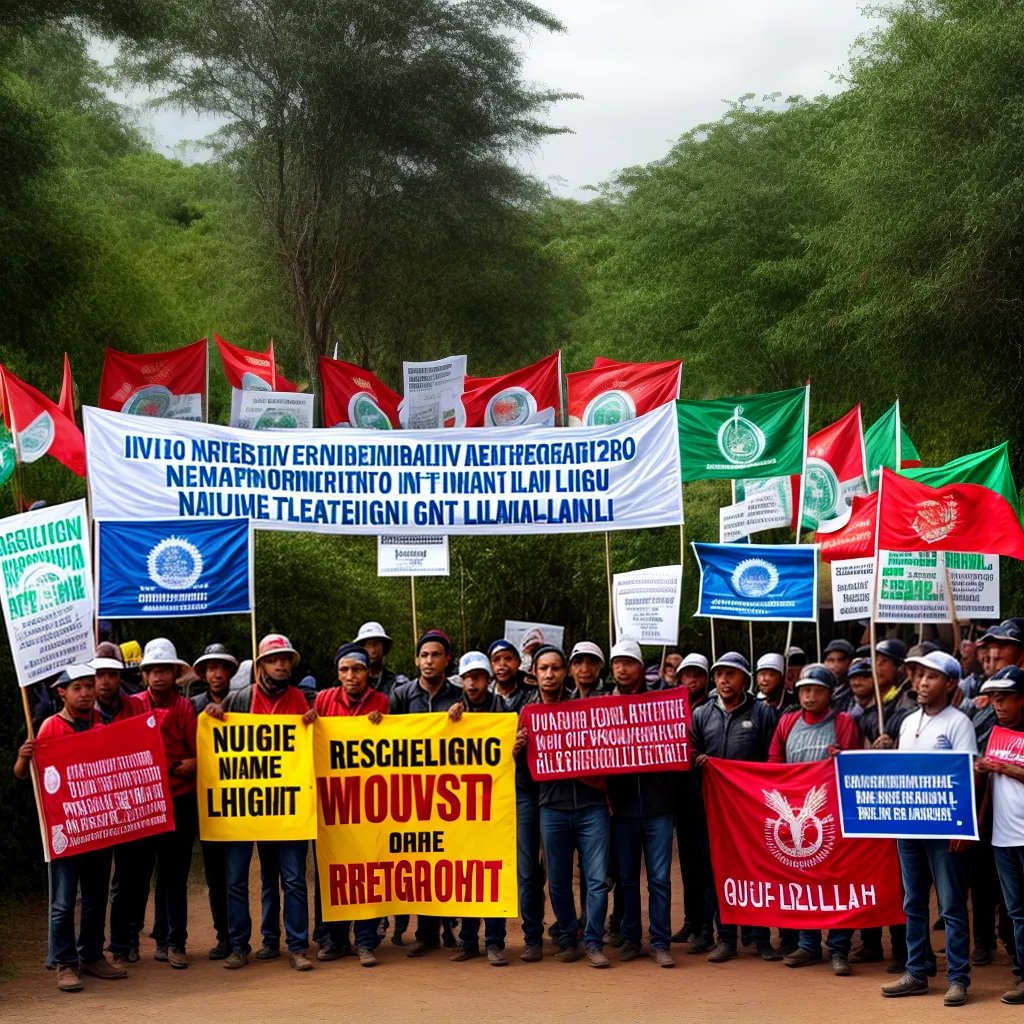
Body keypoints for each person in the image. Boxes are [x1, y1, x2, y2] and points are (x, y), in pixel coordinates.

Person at [14, 665, 127, 992]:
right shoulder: (50, 727)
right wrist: (24, 758)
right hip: (64, 832)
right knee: (63, 902)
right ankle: (65, 963)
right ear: (61, 692)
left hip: (98, 828)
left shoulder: (103, 724)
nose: (87, 692)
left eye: (89, 686)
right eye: (78, 687)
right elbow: (23, 774)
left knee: (95, 897)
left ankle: (91, 955)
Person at [207, 634, 316, 971]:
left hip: (287, 808)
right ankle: (242, 946)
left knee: (292, 879)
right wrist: (214, 716)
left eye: (285, 659)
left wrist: (314, 725)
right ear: (260, 666)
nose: (281, 665)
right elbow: (219, 743)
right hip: (243, 808)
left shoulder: (301, 699)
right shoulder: (240, 699)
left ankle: (296, 946)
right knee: (237, 880)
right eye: (273, 659)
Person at [881, 651, 977, 1006]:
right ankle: (917, 972)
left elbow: (964, 777)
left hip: (944, 829)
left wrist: (962, 829)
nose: (921, 682)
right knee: (913, 903)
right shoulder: (907, 722)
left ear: (950, 683)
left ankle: (958, 978)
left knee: (950, 906)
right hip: (908, 827)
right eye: (919, 675)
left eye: (931, 676)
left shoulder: (959, 723)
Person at [514, 645, 611, 968]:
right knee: (557, 881)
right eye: (544, 669)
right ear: (535, 673)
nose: (550, 674)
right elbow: (524, 770)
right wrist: (516, 752)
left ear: (565, 672)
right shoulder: (527, 714)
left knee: (596, 880)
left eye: (556, 668)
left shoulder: (585, 707)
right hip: (551, 807)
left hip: (592, 805)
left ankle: (594, 942)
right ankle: (569, 938)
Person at [768, 664, 861, 975]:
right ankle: (808, 945)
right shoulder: (787, 722)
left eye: (816, 690)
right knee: (802, 880)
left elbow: (853, 761)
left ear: (829, 694)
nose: (809, 695)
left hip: (833, 819)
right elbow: (773, 763)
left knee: (836, 882)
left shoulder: (843, 722)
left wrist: (841, 757)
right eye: (804, 690)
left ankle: (839, 949)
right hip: (798, 818)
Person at [690, 652, 778, 963]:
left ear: (745, 679)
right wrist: (697, 760)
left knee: (757, 871)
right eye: (719, 675)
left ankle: (761, 938)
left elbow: (773, 759)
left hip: (752, 811)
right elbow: (690, 751)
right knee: (718, 873)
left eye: (731, 674)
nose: (724, 681)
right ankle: (726, 938)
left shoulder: (763, 713)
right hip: (711, 809)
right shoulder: (701, 714)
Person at [313, 642, 389, 966]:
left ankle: (367, 941)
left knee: (369, 870)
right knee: (332, 872)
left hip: (369, 803)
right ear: (337, 673)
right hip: (333, 803)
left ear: (368, 672)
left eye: (357, 669)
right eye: (344, 670)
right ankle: (335, 939)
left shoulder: (382, 701)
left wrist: (382, 724)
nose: (351, 675)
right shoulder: (323, 700)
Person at [389, 631, 464, 956]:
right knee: (420, 863)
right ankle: (426, 932)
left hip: (451, 795)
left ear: (447, 659)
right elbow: (384, 738)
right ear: (416, 660)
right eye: (424, 656)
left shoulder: (459, 696)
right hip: (413, 795)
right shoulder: (402, 695)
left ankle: (452, 927)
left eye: (436, 655)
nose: (429, 661)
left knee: (449, 860)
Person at [128, 639, 198, 969]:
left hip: (179, 801)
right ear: (144, 675)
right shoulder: (133, 705)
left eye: (164, 670)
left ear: (173, 673)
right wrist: (172, 766)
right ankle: (128, 940)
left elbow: (197, 757)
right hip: (142, 803)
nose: (158, 676)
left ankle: (175, 943)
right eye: (152, 670)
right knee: (137, 875)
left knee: (173, 877)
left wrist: (188, 765)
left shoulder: (185, 709)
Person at [606, 640, 676, 967]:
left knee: (660, 879)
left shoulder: (662, 703)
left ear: (640, 667)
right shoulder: (603, 708)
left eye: (628, 662)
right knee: (628, 878)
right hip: (621, 809)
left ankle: (661, 942)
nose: (622, 669)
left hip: (659, 806)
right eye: (617, 663)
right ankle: (632, 939)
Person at [449, 652, 513, 966]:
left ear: (489, 680)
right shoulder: (451, 711)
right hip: (461, 809)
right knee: (466, 876)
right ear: (461, 681)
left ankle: (495, 943)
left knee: (494, 875)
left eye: (478, 677)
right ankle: (468, 941)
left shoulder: (506, 712)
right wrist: (446, 722)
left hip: (497, 808)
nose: (472, 683)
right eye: (467, 677)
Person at [975, 666, 1024, 1004]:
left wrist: (1004, 767)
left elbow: (1004, 772)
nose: (998, 704)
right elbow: (991, 787)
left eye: (1004, 698)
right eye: (994, 698)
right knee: (1017, 912)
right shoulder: (994, 733)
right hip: (1002, 838)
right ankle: (1022, 976)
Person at [189, 643, 238, 961]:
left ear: (231, 671)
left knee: (238, 875)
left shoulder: (245, 701)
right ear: (203, 673)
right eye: (210, 668)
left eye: (221, 667)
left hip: (242, 803)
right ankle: (224, 936)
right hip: (207, 803)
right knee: (216, 874)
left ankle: (244, 938)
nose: (216, 673)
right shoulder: (192, 706)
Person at [670, 652, 716, 950]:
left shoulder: (711, 710)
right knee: (687, 866)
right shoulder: (669, 708)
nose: (692, 679)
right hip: (680, 797)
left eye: (698, 674)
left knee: (706, 865)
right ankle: (690, 921)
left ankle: (706, 929)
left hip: (708, 798)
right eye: (687, 674)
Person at [353, 621, 406, 696]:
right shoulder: (352, 683)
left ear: (384, 647)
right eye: (368, 646)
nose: (372, 650)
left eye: (376, 645)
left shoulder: (398, 684)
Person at [488, 639, 535, 712]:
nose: (502, 665)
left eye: (508, 659)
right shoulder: (484, 694)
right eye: (496, 660)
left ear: (518, 662)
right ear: (490, 665)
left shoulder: (532, 693)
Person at [190, 644, 237, 715]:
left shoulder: (241, 703)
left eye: (225, 669)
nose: (218, 675)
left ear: (231, 673)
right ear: (205, 673)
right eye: (212, 668)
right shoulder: (194, 705)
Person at [823, 639, 855, 705]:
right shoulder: (820, 686)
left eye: (840, 660)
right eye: (830, 660)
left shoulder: (855, 689)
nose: (835, 665)